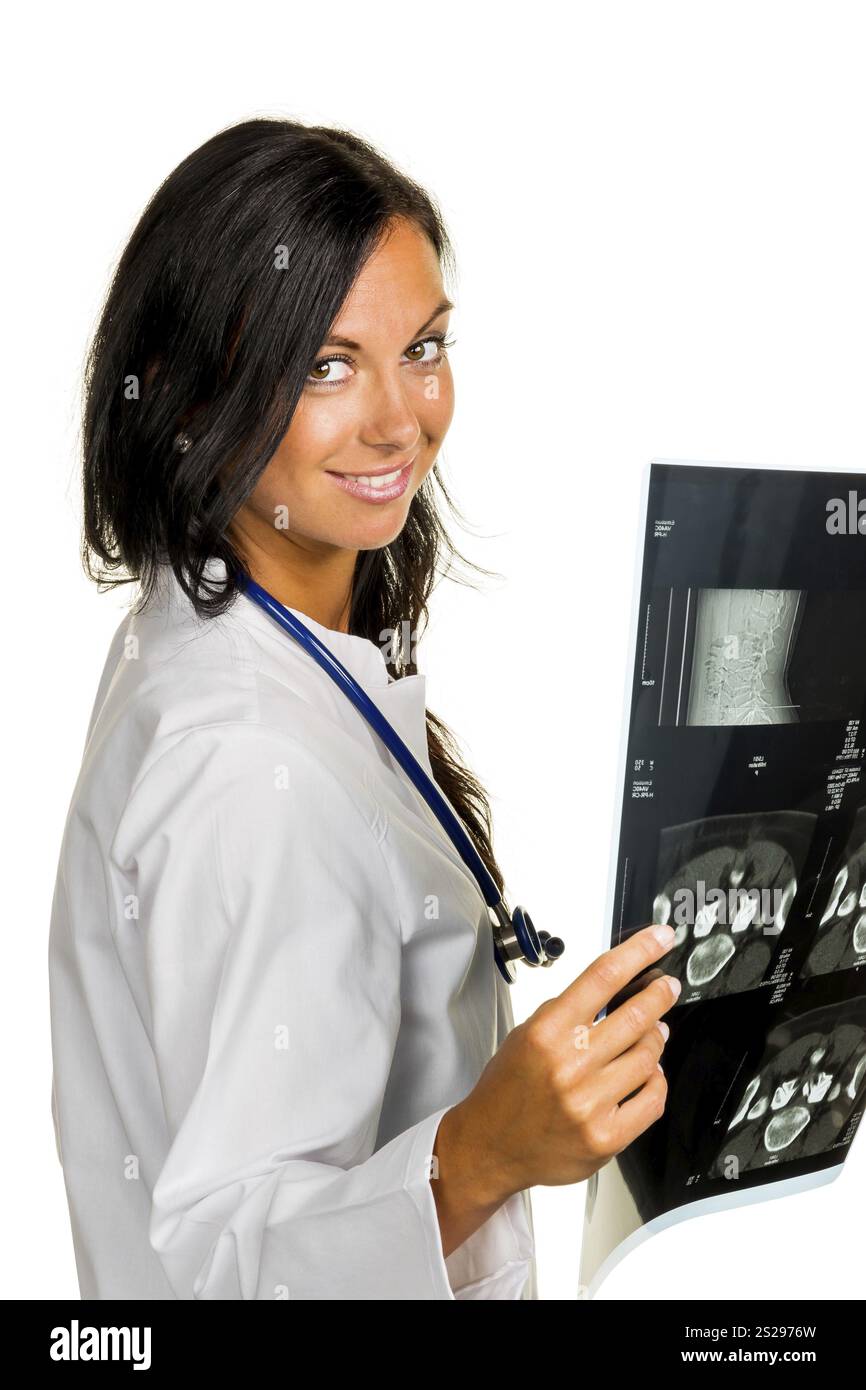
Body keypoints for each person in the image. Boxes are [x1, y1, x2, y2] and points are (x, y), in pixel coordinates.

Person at [48, 117, 678, 1301]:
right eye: (325, 366)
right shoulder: (238, 757)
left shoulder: (230, 630)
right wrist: (483, 1153)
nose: (400, 421)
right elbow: (227, 1273)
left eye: (423, 347)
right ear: (190, 397)